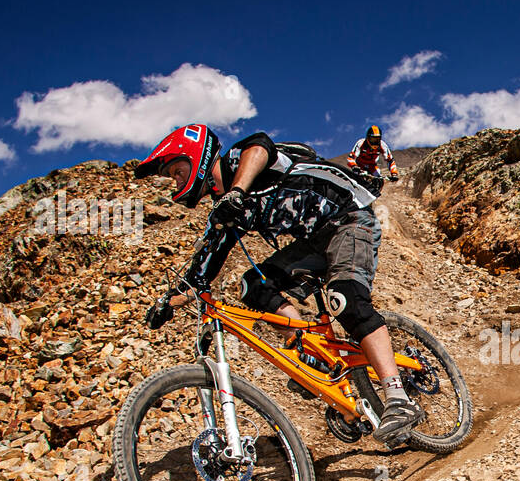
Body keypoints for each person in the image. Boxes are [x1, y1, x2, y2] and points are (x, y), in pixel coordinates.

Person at [133, 124, 423, 444]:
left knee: (345, 297)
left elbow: (260, 145)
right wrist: (166, 305)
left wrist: (238, 190)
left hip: (349, 219)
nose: (175, 181)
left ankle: (398, 399)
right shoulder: (226, 215)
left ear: (197, 157)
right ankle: (308, 352)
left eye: (176, 171)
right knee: (252, 285)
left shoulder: (241, 162)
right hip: (313, 243)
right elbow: (200, 273)